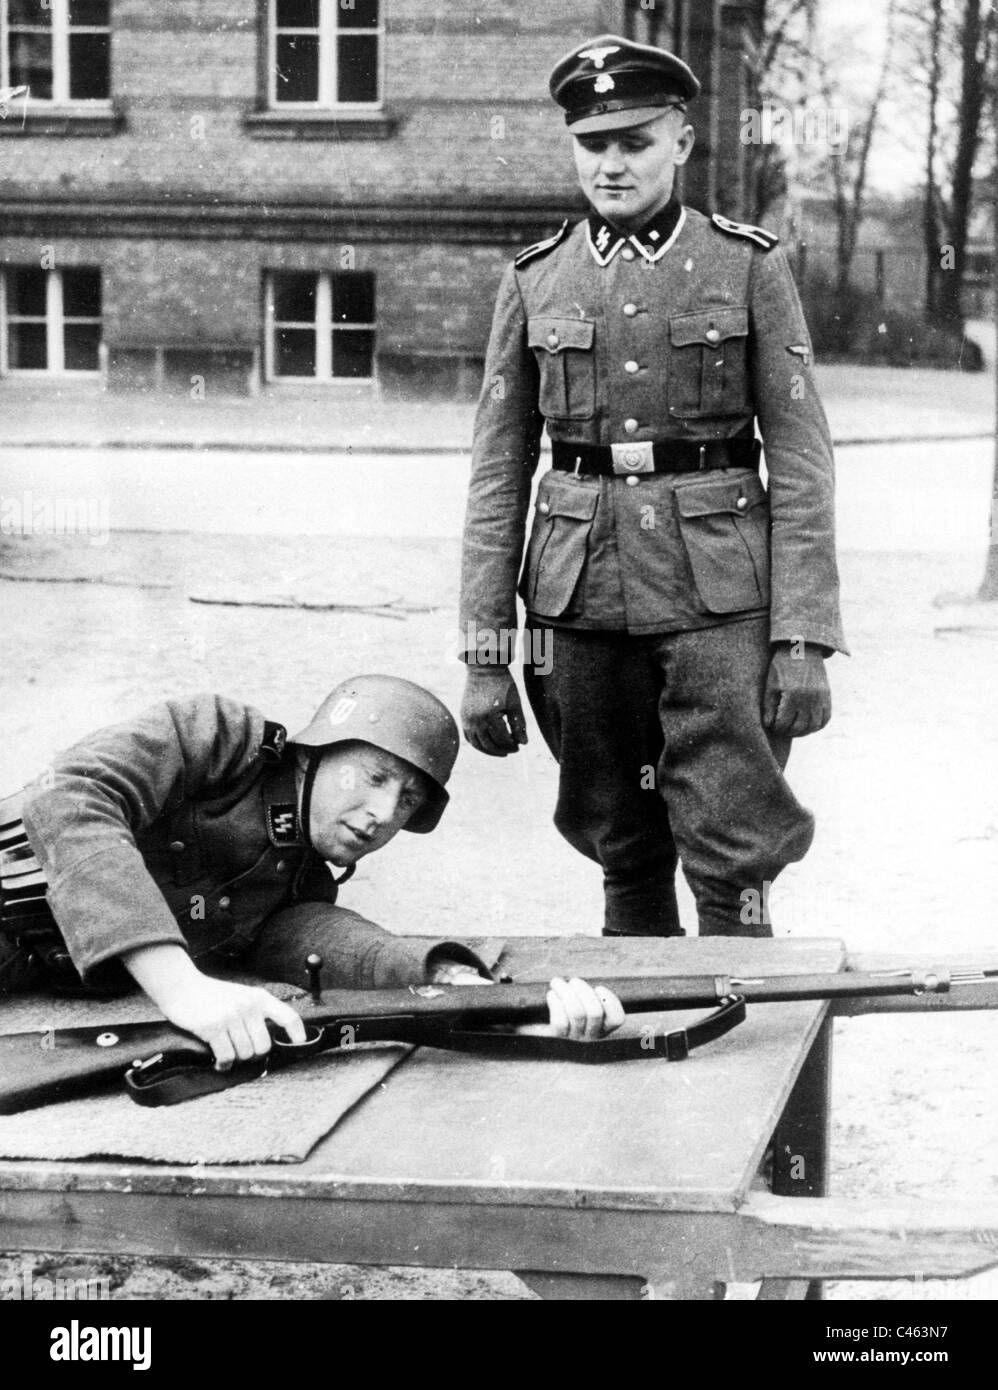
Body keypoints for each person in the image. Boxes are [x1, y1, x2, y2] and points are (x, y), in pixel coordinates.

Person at [459, 35, 847, 940]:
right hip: (576, 595)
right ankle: (635, 1045)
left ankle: (744, 1031)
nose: (612, 163)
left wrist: (804, 637)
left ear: (681, 142)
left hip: (720, 596)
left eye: (634, 141)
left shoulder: (747, 267)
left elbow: (799, 458)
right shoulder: (534, 278)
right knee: (618, 840)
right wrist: (484, 654)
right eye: (594, 144)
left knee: (734, 834)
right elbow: (495, 470)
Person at [0, 675, 622, 1068]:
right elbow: (68, 796)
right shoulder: (217, 739)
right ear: (316, 753)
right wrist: (181, 987)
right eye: (374, 777)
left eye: (406, 801)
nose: (383, 814)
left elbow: (346, 949)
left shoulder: (298, 885)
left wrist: (479, 994)